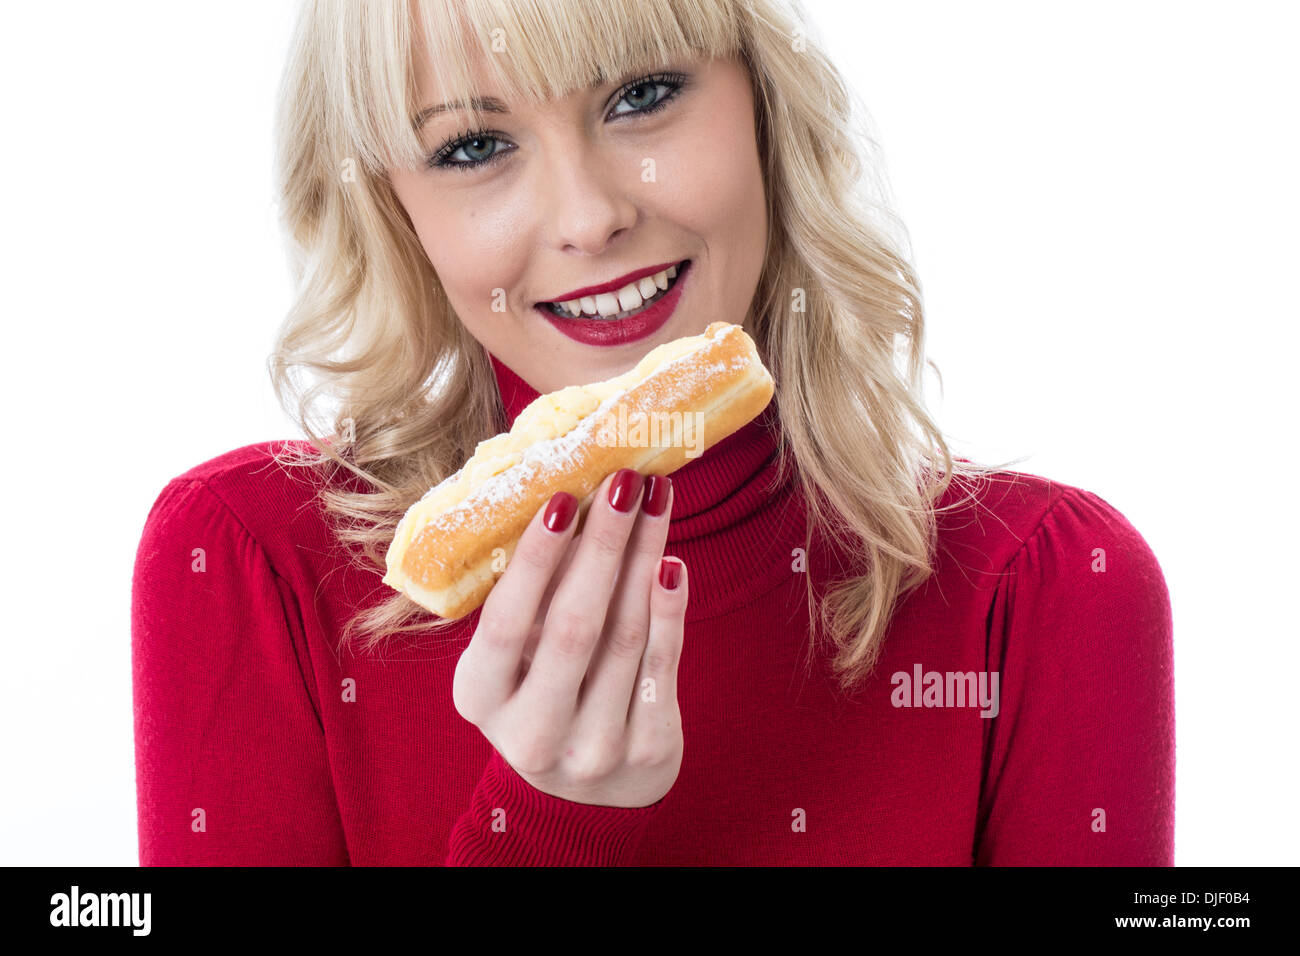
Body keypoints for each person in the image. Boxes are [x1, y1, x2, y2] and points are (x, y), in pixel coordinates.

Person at [131, 0, 1174, 865]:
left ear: (763, 105)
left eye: (641, 94)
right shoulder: (252, 562)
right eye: (475, 144)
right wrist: (545, 824)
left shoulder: (1044, 588)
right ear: (395, 212)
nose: (587, 217)